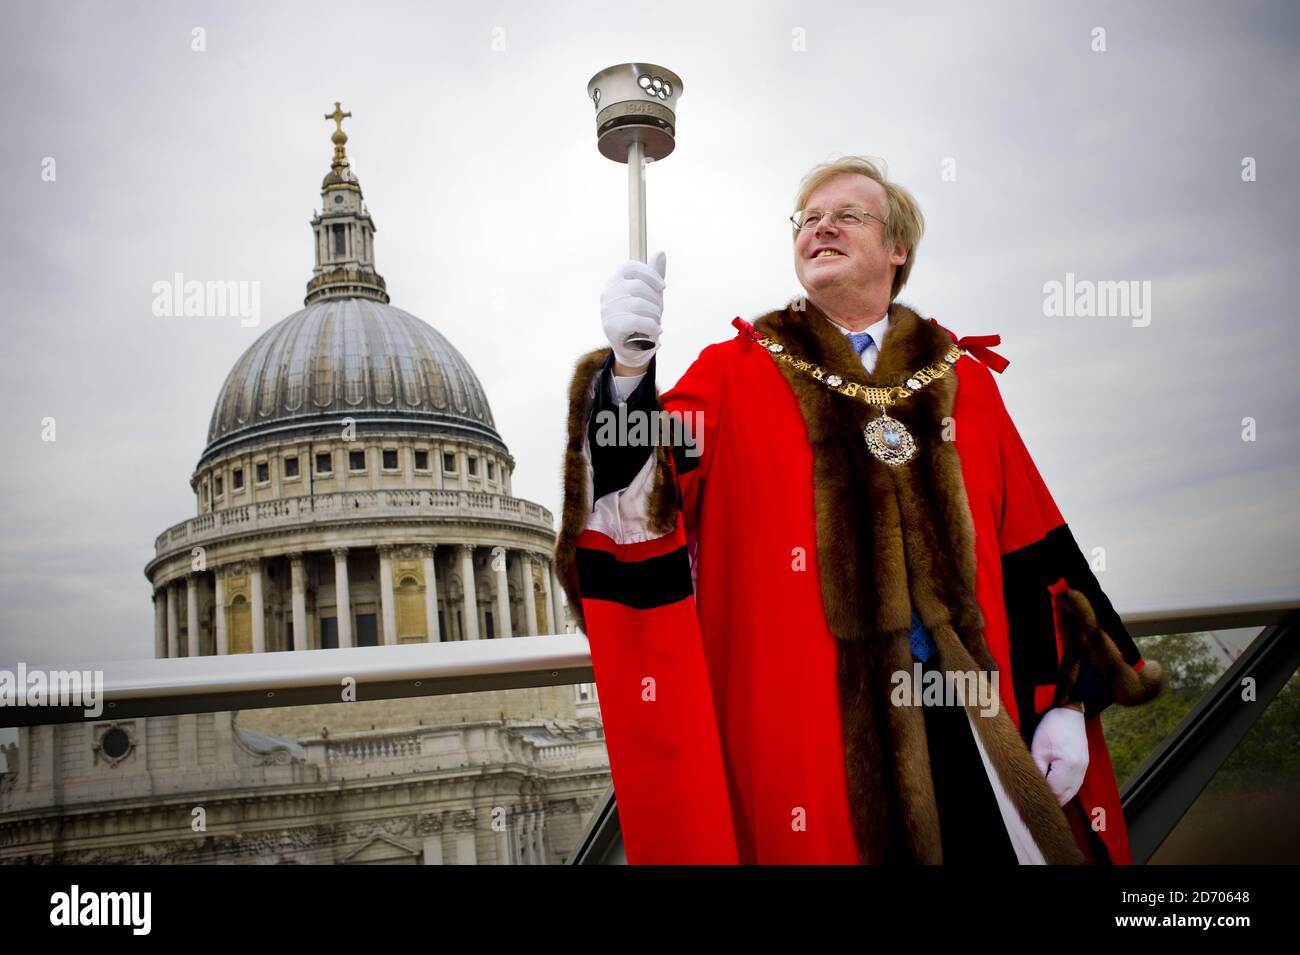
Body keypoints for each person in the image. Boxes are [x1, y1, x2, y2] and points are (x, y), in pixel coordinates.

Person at [554, 156, 1165, 865]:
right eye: (807, 219)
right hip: (818, 741)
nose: (820, 228)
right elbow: (640, 506)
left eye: (846, 215)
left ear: (896, 248)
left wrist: (1068, 698)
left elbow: (1032, 545)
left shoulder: (962, 381)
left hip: (975, 723)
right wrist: (626, 380)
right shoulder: (733, 373)